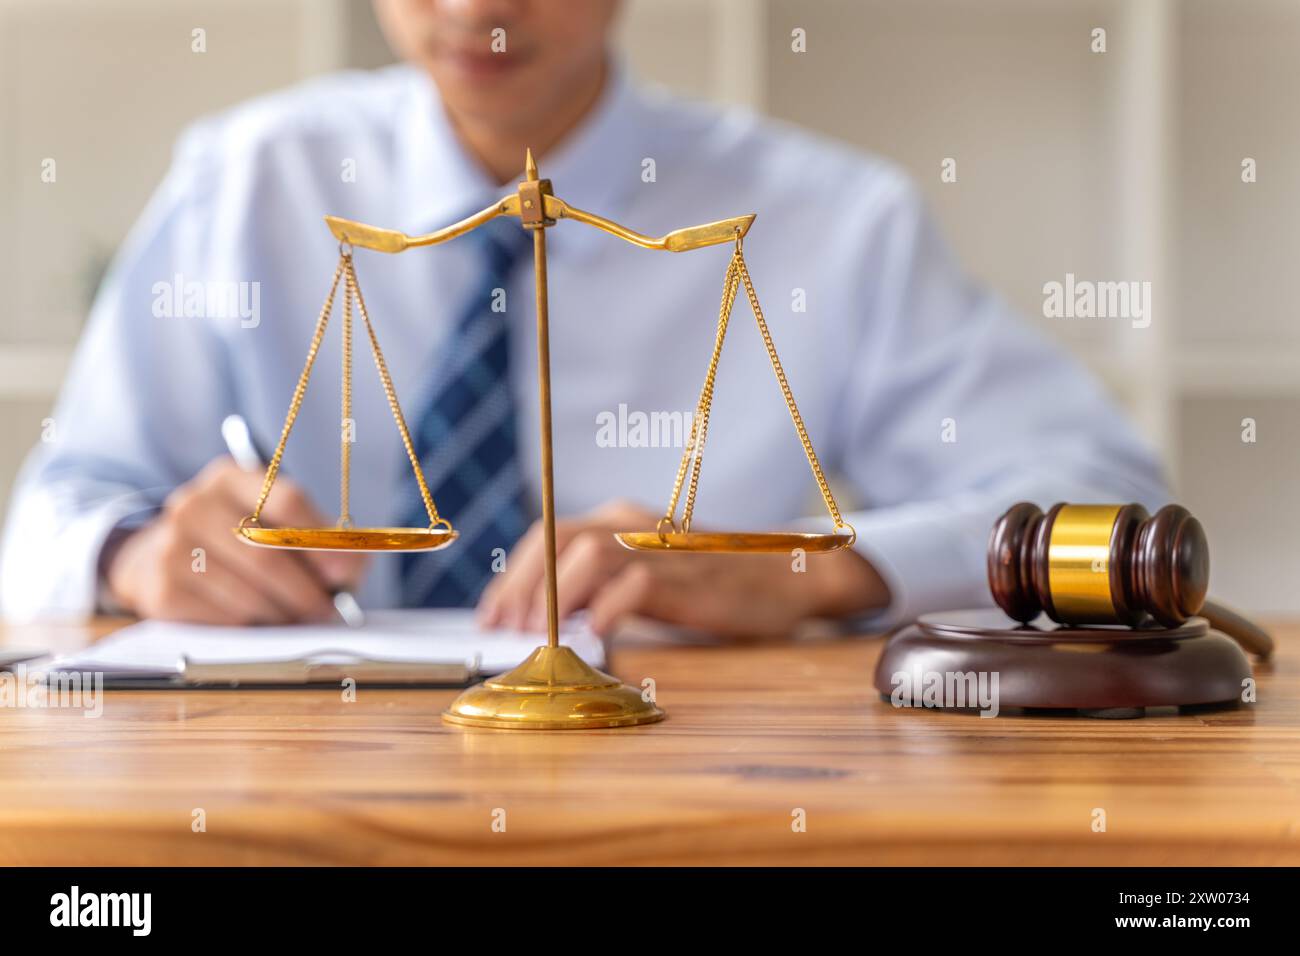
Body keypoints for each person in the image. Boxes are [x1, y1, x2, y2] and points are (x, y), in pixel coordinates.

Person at [0, 0, 1166, 638]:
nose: (479, 6)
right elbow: (50, 512)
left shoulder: (831, 223)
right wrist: (136, 553)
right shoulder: (242, 184)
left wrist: (815, 573)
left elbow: (1113, 508)